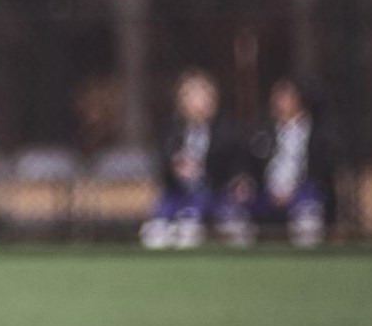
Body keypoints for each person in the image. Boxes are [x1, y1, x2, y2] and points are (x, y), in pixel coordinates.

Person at [223, 76, 334, 249]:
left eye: (285, 96)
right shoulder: (262, 131)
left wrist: (292, 192)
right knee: (233, 217)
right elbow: (247, 163)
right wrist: (244, 181)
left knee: (308, 222)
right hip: (265, 194)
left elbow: (322, 174)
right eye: (276, 96)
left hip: (303, 194)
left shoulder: (318, 135)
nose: (278, 101)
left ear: (300, 99)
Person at [139, 69, 240, 251]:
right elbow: (163, 164)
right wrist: (176, 166)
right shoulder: (171, 131)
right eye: (194, 96)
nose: (202, 102)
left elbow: (231, 168)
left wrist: (204, 170)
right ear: (182, 102)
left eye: (205, 96)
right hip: (177, 193)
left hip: (214, 193)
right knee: (154, 233)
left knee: (190, 228)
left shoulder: (226, 132)